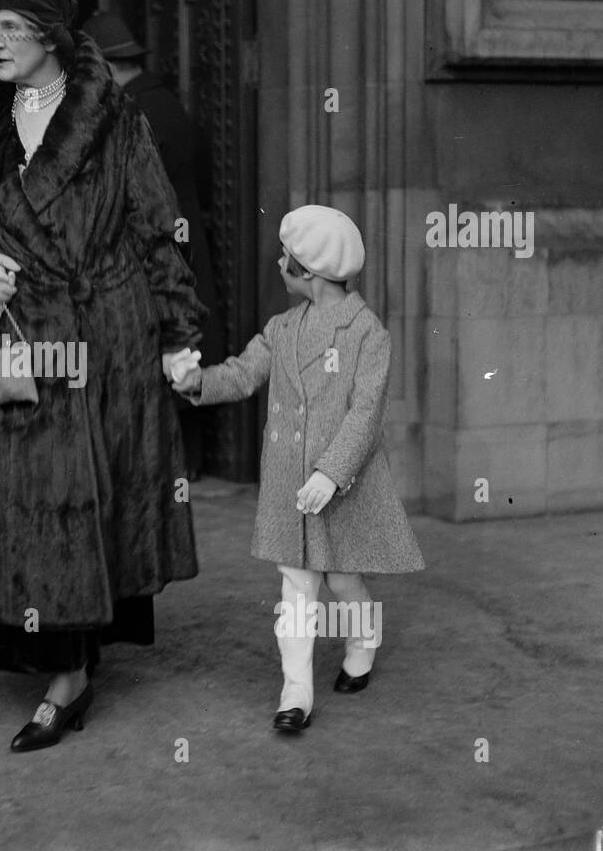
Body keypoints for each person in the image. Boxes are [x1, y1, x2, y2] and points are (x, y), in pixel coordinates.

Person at [0, 0, 207, 752]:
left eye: (11, 28)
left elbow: (159, 231)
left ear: (51, 35)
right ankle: (52, 653)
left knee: (86, 503)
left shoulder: (116, 121)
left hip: (100, 338)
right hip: (19, 334)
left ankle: (69, 675)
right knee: (26, 506)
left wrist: (179, 338)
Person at [169, 206, 424, 734]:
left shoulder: (367, 334)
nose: (278, 263)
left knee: (341, 576)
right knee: (296, 584)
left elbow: (366, 412)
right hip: (291, 483)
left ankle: (363, 637)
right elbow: (243, 374)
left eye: (286, 257)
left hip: (341, 484)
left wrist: (331, 473)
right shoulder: (281, 329)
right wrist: (197, 382)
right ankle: (295, 693)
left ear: (308, 270)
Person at [82, 11, 223, 475]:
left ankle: (173, 465)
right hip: (178, 237)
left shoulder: (136, 108)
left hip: (157, 243)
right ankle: (186, 462)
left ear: (106, 65)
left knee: (162, 338)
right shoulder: (162, 101)